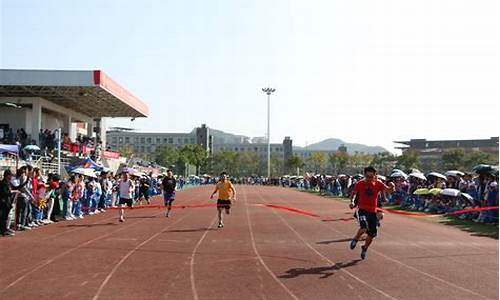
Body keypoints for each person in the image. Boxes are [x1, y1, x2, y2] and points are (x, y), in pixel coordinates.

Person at [349, 166, 395, 260]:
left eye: (371, 176)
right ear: (364, 175)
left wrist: (392, 186)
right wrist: (352, 201)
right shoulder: (360, 183)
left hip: (372, 212)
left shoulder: (378, 184)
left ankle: (364, 248)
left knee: (372, 234)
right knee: (363, 227)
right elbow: (353, 194)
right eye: (367, 176)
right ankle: (355, 239)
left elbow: (389, 190)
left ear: (375, 175)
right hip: (362, 209)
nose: (369, 178)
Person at [0, 169, 15, 236]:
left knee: (5, 217)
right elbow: (4, 193)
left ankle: (5, 229)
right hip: (3, 202)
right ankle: (3, 231)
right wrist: (11, 192)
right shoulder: (3, 183)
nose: (11, 177)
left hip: (7, 202)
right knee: (3, 217)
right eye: (10, 175)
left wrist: (26, 181)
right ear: (7, 175)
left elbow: (15, 187)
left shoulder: (8, 183)